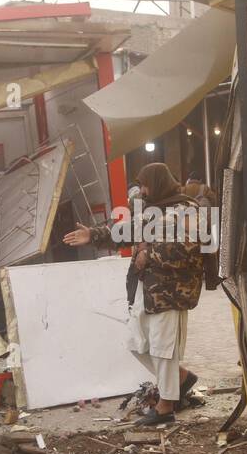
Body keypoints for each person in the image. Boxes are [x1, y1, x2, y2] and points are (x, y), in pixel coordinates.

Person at [63, 163, 204, 426]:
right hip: (145, 288)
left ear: (159, 182)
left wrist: (147, 254)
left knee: (163, 349)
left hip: (171, 291)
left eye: (146, 183)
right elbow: (125, 231)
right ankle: (181, 379)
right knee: (136, 344)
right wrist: (92, 235)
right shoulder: (152, 210)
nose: (143, 189)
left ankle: (166, 408)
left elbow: (188, 250)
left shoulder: (187, 209)